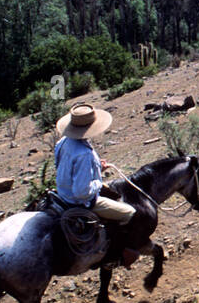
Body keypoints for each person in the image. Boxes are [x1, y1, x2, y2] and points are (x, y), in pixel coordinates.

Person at [53, 103, 143, 268]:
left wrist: (94, 168)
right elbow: (82, 192)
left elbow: (60, 164)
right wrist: (98, 179)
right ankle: (113, 257)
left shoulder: (63, 142)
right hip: (78, 201)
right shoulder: (84, 154)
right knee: (130, 213)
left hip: (61, 196)